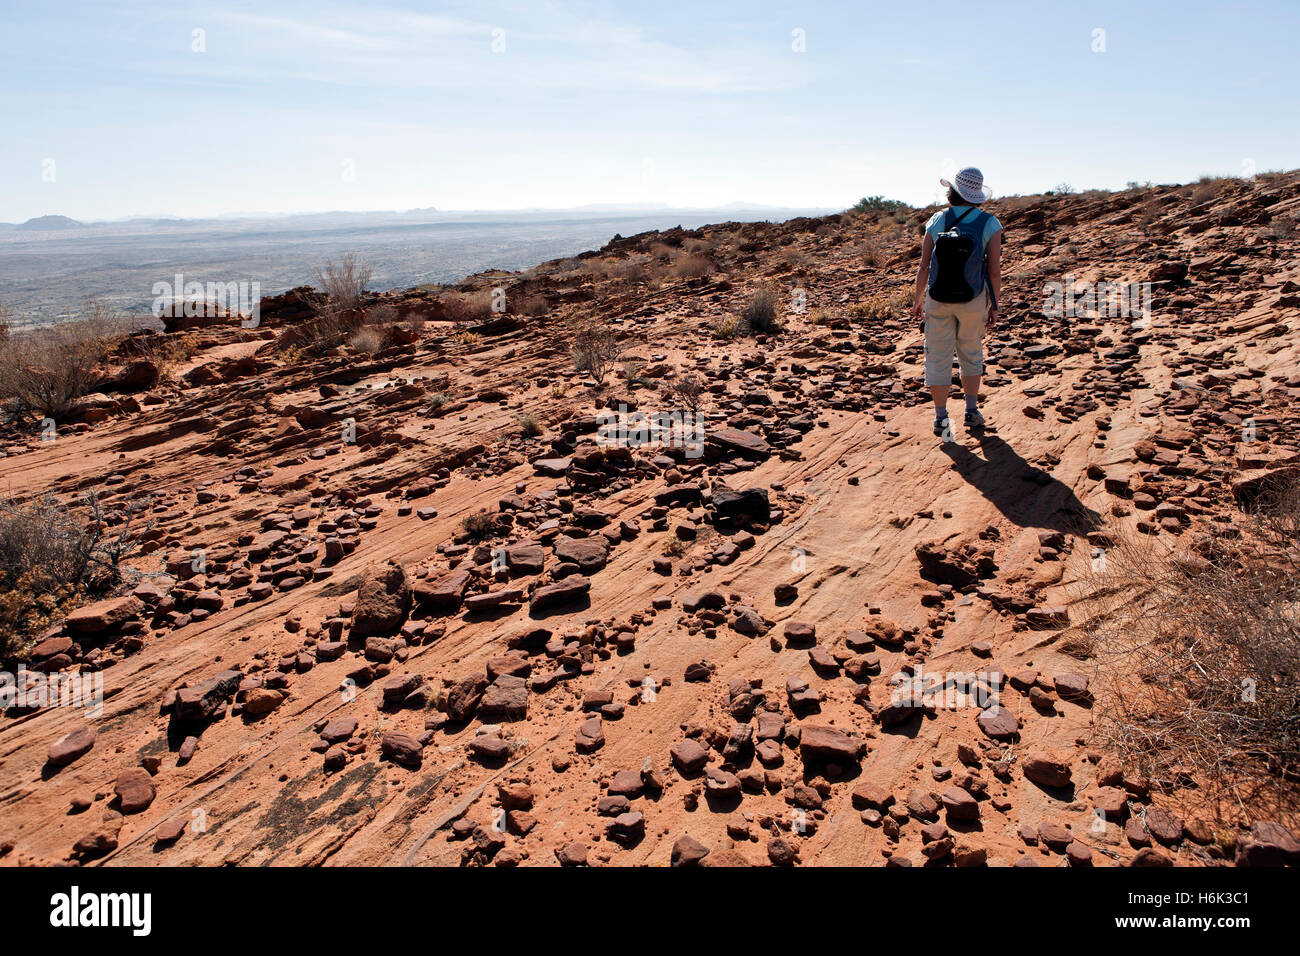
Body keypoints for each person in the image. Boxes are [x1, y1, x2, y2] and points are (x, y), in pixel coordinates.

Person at [911, 166, 1002, 436]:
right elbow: (994, 270)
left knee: (937, 357)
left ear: (952, 191)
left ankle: (941, 418)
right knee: (970, 352)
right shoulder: (990, 223)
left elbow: (924, 267)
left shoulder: (937, 220)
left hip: (937, 298)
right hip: (974, 300)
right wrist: (994, 305)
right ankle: (971, 412)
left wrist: (918, 300)